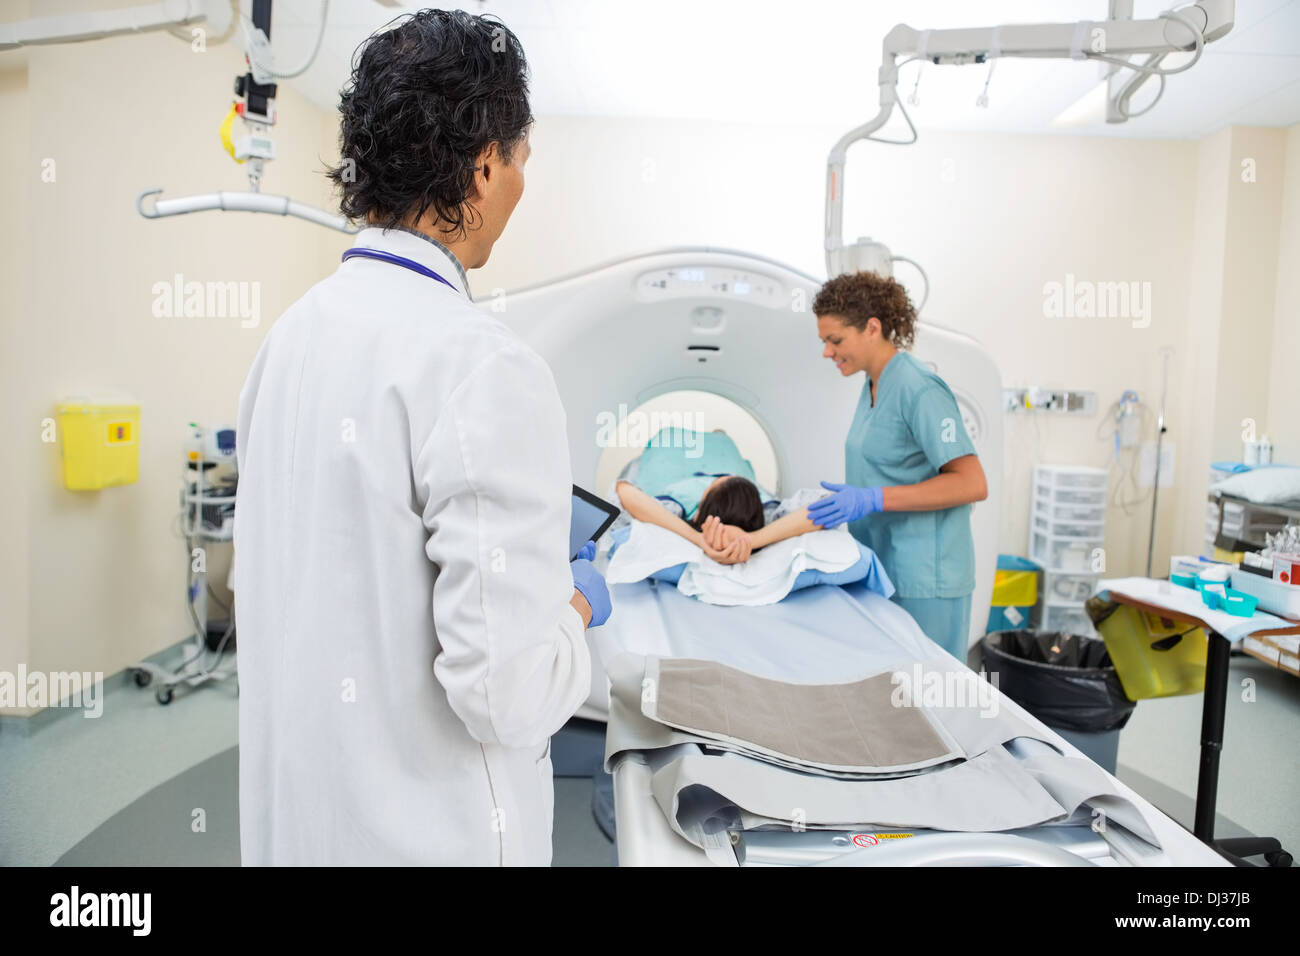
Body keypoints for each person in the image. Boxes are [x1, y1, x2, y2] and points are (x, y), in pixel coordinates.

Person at [234, 10, 608, 867]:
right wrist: (577, 603)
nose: (520, 183)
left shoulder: (288, 339)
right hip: (431, 836)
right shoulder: (482, 366)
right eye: (519, 160)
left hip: (302, 824)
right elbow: (504, 696)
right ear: (483, 166)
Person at [807, 272, 987, 660]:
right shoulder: (873, 384)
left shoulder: (918, 388)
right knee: (894, 701)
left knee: (929, 700)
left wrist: (871, 498)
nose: (827, 352)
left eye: (835, 340)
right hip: (884, 564)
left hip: (926, 577)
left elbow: (972, 483)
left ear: (872, 328)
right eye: (824, 341)